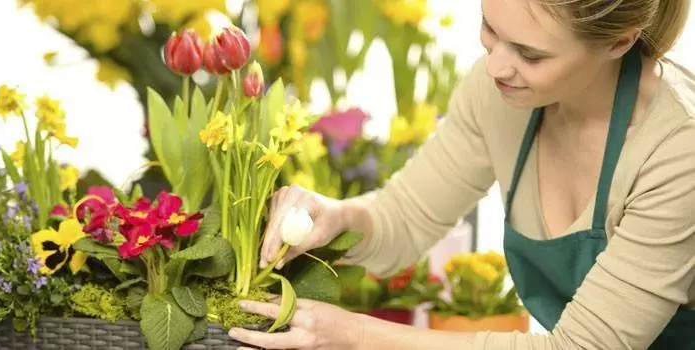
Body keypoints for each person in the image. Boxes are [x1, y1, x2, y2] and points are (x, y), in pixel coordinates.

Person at [228, 0, 695, 349]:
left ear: (618, 42)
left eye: (530, 55)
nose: (494, 66)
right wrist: (335, 218)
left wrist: (352, 334)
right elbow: (406, 219)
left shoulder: (677, 152)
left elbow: (581, 347)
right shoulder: (501, 94)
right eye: (489, 28)